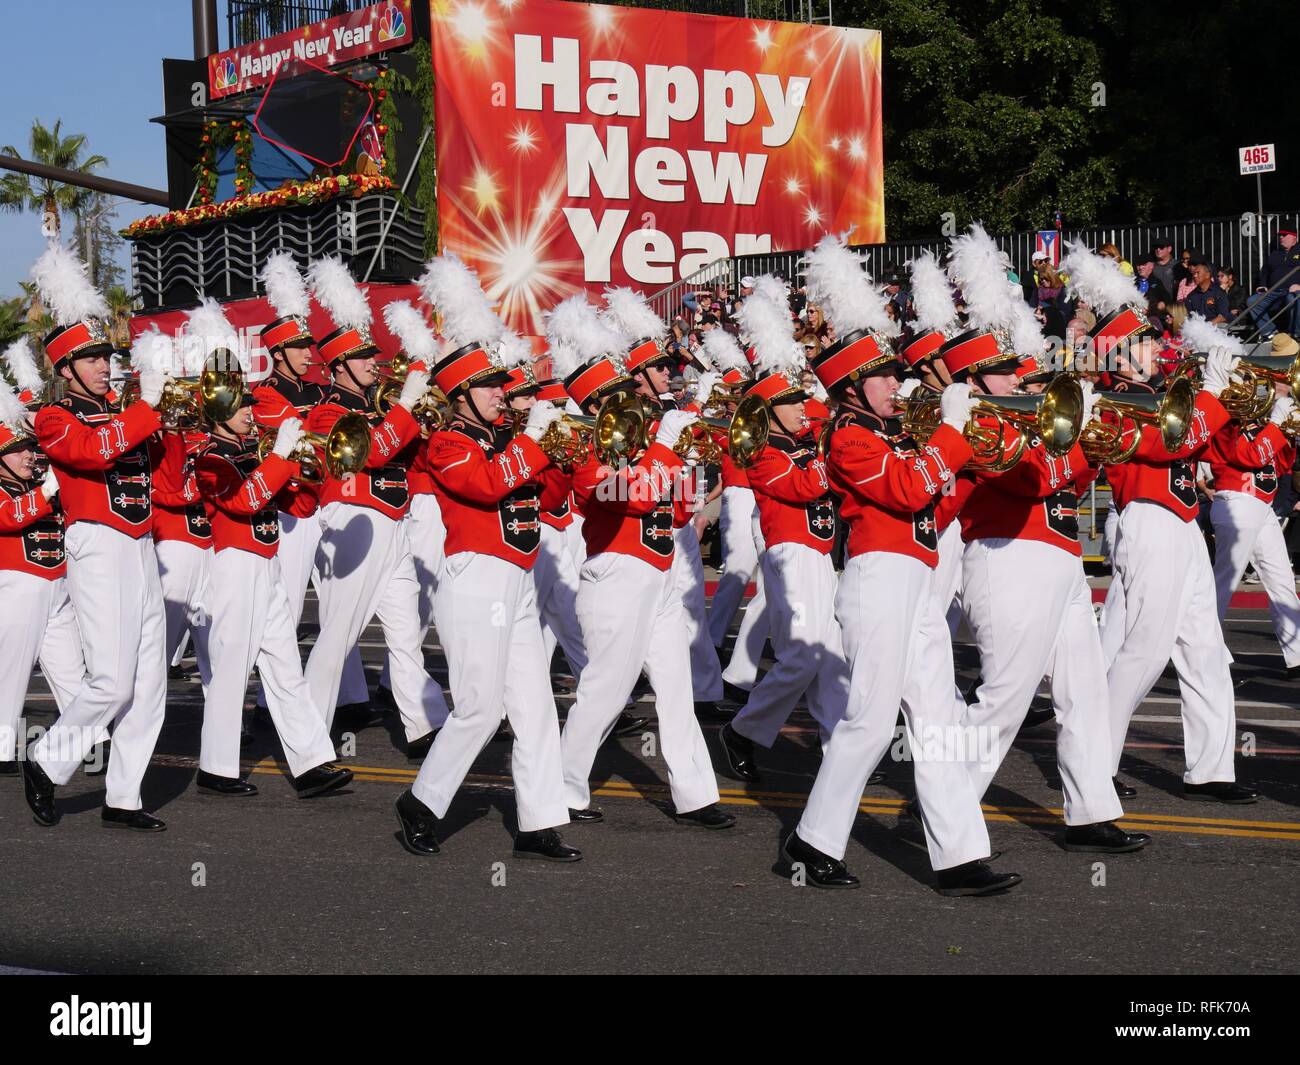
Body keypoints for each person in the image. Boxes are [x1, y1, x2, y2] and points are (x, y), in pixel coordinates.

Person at [785, 233, 1019, 895]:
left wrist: (973, 455)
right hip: (878, 582)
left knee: (938, 721)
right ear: (852, 387)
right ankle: (810, 839)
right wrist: (950, 433)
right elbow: (910, 487)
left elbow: (933, 507)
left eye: (893, 371)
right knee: (868, 719)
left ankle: (960, 856)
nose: (897, 382)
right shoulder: (849, 437)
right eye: (883, 375)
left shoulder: (891, 432)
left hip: (915, 581)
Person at [940, 231, 1148, 851]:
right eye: (1006, 372)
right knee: (1003, 698)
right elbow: (1032, 481)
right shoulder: (973, 425)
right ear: (977, 381)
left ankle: (1090, 812)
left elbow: (1069, 476)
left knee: (1082, 692)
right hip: (1008, 562)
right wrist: (1071, 440)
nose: (1020, 381)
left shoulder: (1023, 415)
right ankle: (946, 807)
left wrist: (1087, 435)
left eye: (1019, 369)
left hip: (1058, 561)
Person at [395, 264, 579, 861]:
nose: (505, 392)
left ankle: (538, 821)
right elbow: (482, 488)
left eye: (503, 385)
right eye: (493, 386)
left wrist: (551, 451)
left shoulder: (510, 441)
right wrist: (531, 443)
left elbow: (550, 501)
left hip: (517, 582)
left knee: (535, 707)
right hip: (476, 580)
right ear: (462, 395)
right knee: (480, 707)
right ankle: (421, 803)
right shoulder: (446, 443)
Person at [548, 294, 733, 829]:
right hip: (616, 577)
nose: (628, 406)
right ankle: (562, 787)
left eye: (625, 394)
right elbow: (624, 495)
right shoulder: (583, 453)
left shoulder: (648, 444)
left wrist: (693, 459)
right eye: (613, 398)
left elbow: (680, 501)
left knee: (677, 690)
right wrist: (670, 457)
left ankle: (695, 794)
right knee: (605, 690)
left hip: (662, 576)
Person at [24, 243, 169, 831]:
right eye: (91, 360)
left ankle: (124, 796)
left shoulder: (124, 409)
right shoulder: (54, 419)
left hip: (140, 547)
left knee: (151, 681)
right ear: (66, 370)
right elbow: (91, 452)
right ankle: (48, 758)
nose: (106, 366)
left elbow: (162, 466)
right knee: (110, 678)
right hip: (97, 546)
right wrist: (146, 410)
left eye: (107, 356)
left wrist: (170, 419)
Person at [1095, 306, 1255, 802]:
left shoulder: (1162, 394)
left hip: (1183, 525)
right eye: (1143, 344)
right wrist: (1211, 391)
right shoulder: (1115, 401)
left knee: (1205, 649)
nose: (1155, 350)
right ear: (1119, 355)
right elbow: (1173, 441)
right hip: (1148, 521)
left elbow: (1208, 444)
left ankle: (1211, 769)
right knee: (1143, 651)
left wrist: (1228, 394)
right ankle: (1092, 765)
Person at [301, 257, 441, 750]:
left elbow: (412, 455)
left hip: (395, 522)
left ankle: (427, 725)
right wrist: (405, 407)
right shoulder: (327, 412)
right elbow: (372, 452)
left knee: (406, 637)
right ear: (338, 366)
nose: (373, 364)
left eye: (371, 357)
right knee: (339, 636)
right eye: (362, 359)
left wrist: (422, 416)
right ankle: (308, 738)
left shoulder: (375, 405)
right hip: (355, 521)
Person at [194, 380, 352, 799]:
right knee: (232, 668)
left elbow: (297, 507)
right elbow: (245, 501)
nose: (250, 412)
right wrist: (280, 456)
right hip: (235, 567)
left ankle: (312, 762)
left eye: (249, 404)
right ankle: (216, 767)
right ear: (217, 414)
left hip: (269, 565)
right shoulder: (209, 459)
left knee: (286, 667)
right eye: (240, 407)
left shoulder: (254, 453)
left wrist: (306, 464)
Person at [716, 281, 847, 782]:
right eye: (791, 403)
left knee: (831, 659)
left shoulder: (801, 438)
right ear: (769, 411)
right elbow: (803, 488)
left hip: (820, 554)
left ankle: (840, 744)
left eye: (800, 402)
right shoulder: (763, 453)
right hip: (789, 553)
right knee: (801, 657)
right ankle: (743, 729)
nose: (802, 409)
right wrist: (831, 450)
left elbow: (821, 423)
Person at [253, 252, 370, 728]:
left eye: (309, 347)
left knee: (341, 603)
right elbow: (296, 441)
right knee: (287, 606)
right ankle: (267, 705)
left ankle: (351, 695)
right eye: (300, 348)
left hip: (327, 504)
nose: (310, 354)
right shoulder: (264, 394)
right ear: (279, 353)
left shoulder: (320, 392)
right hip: (290, 510)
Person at [602, 287, 726, 717]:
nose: (667, 374)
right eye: (659, 369)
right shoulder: (626, 415)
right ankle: (617, 691)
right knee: (641, 617)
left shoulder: (672, 404)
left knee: (692, 608)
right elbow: (621, 481)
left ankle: (706, 694)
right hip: (645, 526)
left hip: (678, 518)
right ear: (639, 375)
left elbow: (694, 458)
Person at [372, 299, 453, 756]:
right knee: (421, 598)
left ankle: (401, 695)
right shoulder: (403, 393)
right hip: (418, 498)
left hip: (430, 498)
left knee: (420, 605)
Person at [0, 365, 84, 775]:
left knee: (73, 672)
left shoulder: (38, 482)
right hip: (17, 587)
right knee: (10, 673)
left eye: (30, 448)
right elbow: (9, 518)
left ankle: (86, 742)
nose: (29, 455)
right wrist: (48, 491)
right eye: (18, 450)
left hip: (58, 587)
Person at [1205, 349, 1300, 675]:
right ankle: (1205, 648)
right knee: (1224, 583)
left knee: (1282, 580)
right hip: (1237, 503)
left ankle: (1297, 654)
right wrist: (1275, 426)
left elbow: (1281, 464)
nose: (1252, 388)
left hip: (1261, 506)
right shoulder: (1225, 421)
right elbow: (1251, 456)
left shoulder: (1259, 418)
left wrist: (1288, 429)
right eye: (1244, 382)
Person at [1247, 229, 1300, 338]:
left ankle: (1295, 334)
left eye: (1284, 235)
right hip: (1274, 292)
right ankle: (1270, 332)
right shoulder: (1275, 254)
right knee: (1252, 301)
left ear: (1294, 237)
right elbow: (1265, 271)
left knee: (1293, 298)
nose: (1281, 237)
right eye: (1280, 235)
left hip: (1293, 292)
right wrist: (1263, 284)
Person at [1183, 257, 1231, 325]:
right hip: (1197, 331)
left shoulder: (1219, 293)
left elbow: (1222, 316)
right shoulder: (1191, 296)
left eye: (1197, 273)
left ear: (1208, 275)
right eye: (1193, 273)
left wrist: (1207, 327)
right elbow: (1189, 317)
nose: (1194, 276)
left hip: (1216, 330)